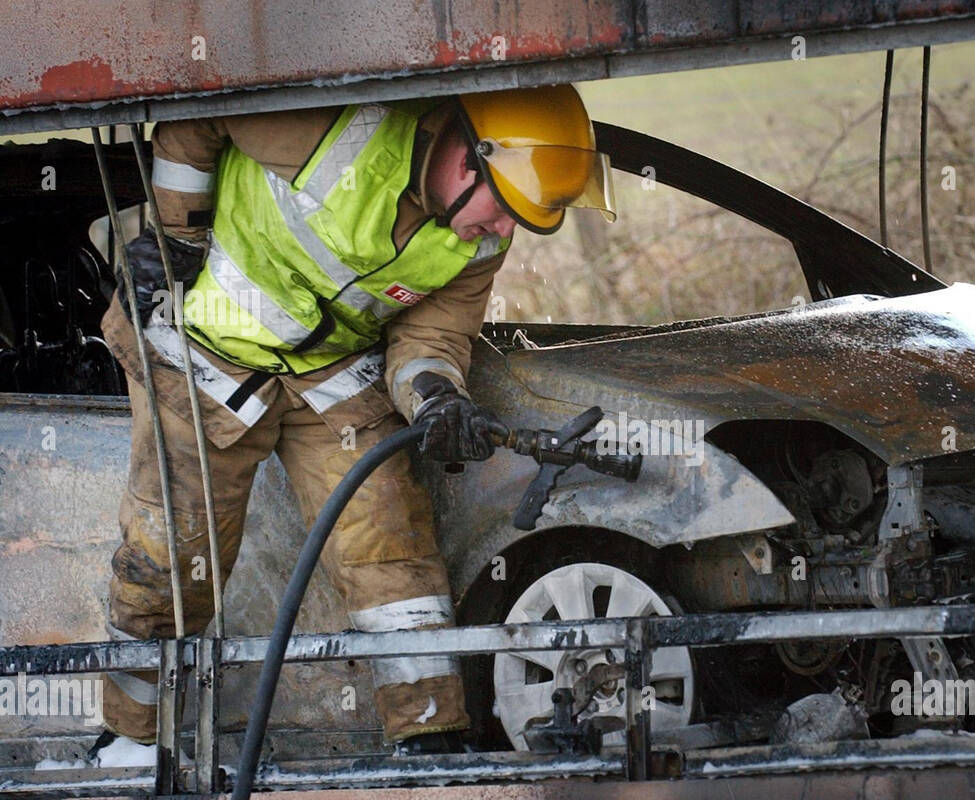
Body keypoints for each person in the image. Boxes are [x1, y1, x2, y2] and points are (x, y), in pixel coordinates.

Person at [96, 84, 615, 757]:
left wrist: (437, 401)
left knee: (389, 545)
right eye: (506, 209)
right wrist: (176, 233)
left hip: (329, 375)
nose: (504, 231)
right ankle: (132, 743)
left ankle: (430, 739)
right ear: (467, 163)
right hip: (202, 352)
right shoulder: (330, 126)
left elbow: (431, 342)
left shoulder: (478, 240)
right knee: (171, 556)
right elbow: (203, 109)